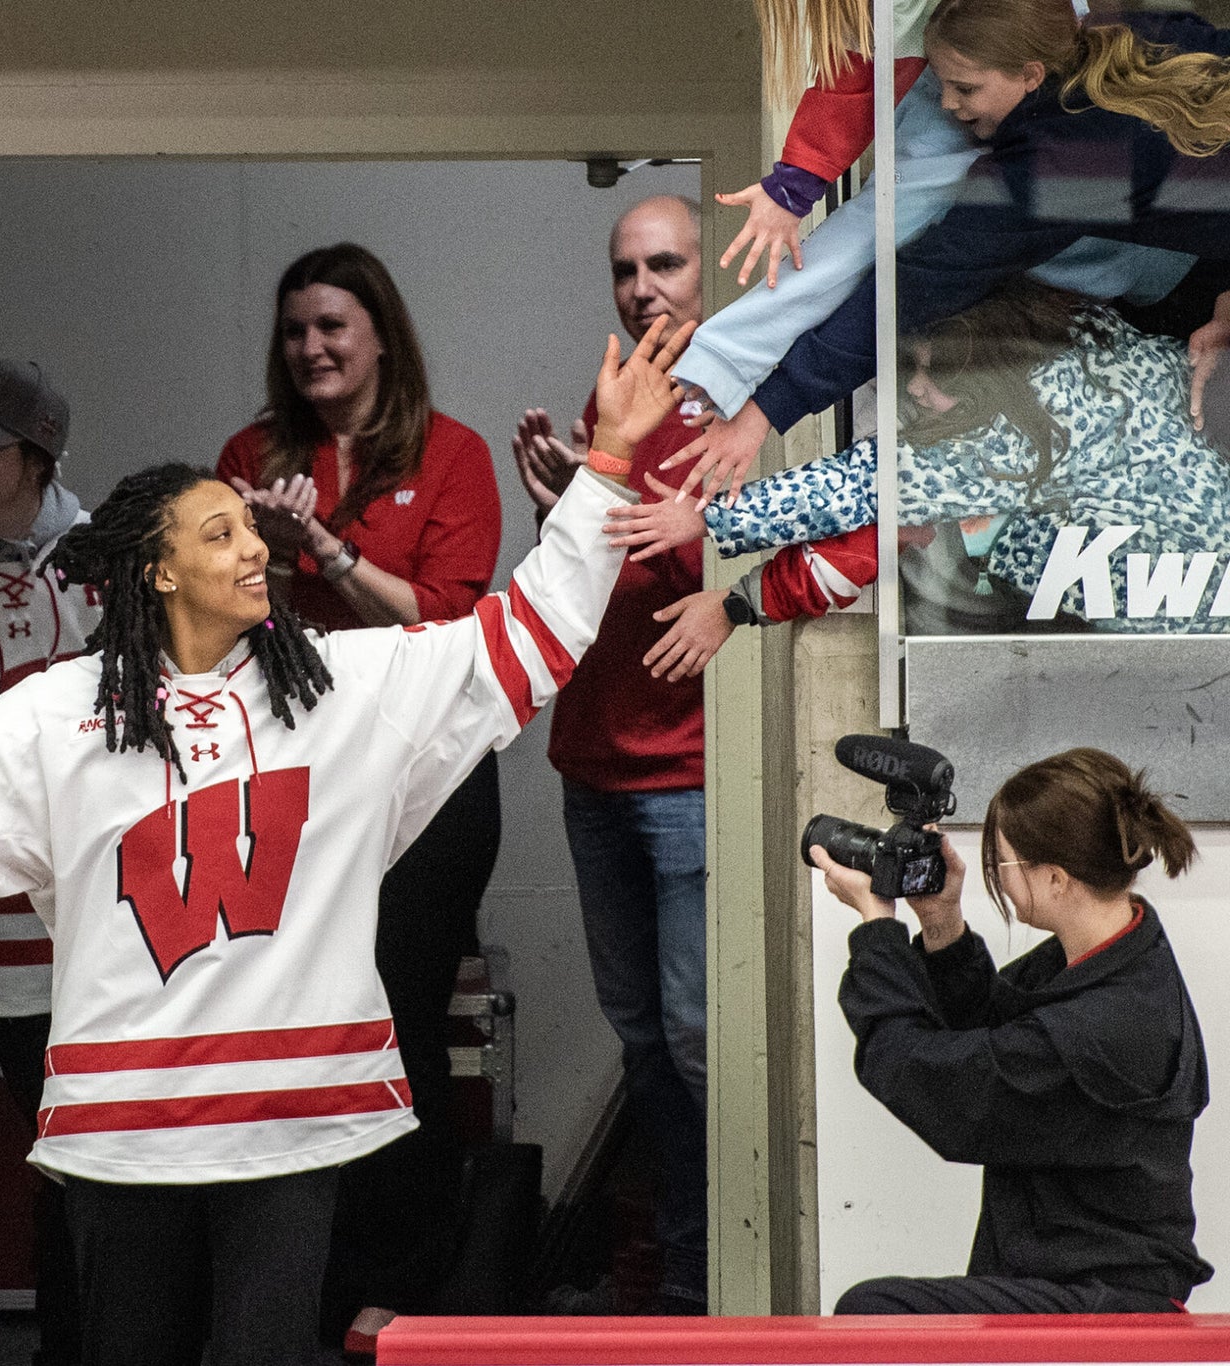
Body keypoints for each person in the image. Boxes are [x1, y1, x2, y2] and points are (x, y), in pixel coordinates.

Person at [0, 318, 697, 1366]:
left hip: (289, 1127)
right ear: (157, 572)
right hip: (120, 1136)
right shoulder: (56, 713)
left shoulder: (344, 687)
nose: (253, 546)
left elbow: (530, 635)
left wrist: (606, 465)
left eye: (248, 529)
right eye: (218, 532)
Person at [214, 243, 505, 1349]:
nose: (312, 349)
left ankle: (398, 1289)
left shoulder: (452, 454)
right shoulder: (250, 453)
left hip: (423, 783)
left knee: (400, 1023)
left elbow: (440, 626)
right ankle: (301, 1279)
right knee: (291, 1027)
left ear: (380, 332)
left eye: (332, 327)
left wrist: (322, 549)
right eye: (295, 331)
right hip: (290, 784)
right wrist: (268, 561)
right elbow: (215, 616)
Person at [677, 0, 1230, 499]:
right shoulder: (1147, 33)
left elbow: (911, 289)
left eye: (964, 88)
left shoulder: (1059, 165)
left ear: (1031, 73)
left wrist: (765, 410)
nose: (947, 104)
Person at [605, 283, 1230, 660]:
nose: (922, 392)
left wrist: (707, 516)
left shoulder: (1010, 438)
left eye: (944, 372)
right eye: (914, 370)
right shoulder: (1099, 344)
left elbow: (857, 484)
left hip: (1179, 628)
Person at [811, 747, 1211, 1314]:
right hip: (1063, 1271)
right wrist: (942, 924)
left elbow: (922, 1076)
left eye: (1002, 865)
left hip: (1102, 1297)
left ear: (1054, 878)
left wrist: (878, 928)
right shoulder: (1124, 953)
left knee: (875, 1312)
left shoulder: (1103, 1024)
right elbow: (995, 1031)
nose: (995, 877)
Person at [510, 194, 710, 1316]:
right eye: (624, 269)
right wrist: (560, 507)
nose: (641, 288)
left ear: (705, 272)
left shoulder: (740, 402)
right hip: (592, 766)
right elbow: (600, 573)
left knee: (692, 1035)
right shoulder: (613, 398)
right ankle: (681, 1276)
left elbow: (741, 586)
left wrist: (654, 519)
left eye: (664, 264)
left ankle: (716, 1269)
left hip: (685, 775)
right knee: (640, 1040)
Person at [0, 357, 93, 1366]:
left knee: (83, 1154)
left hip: (89, 920)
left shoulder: (100, 556)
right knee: (47, 1144)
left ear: (33, 454)